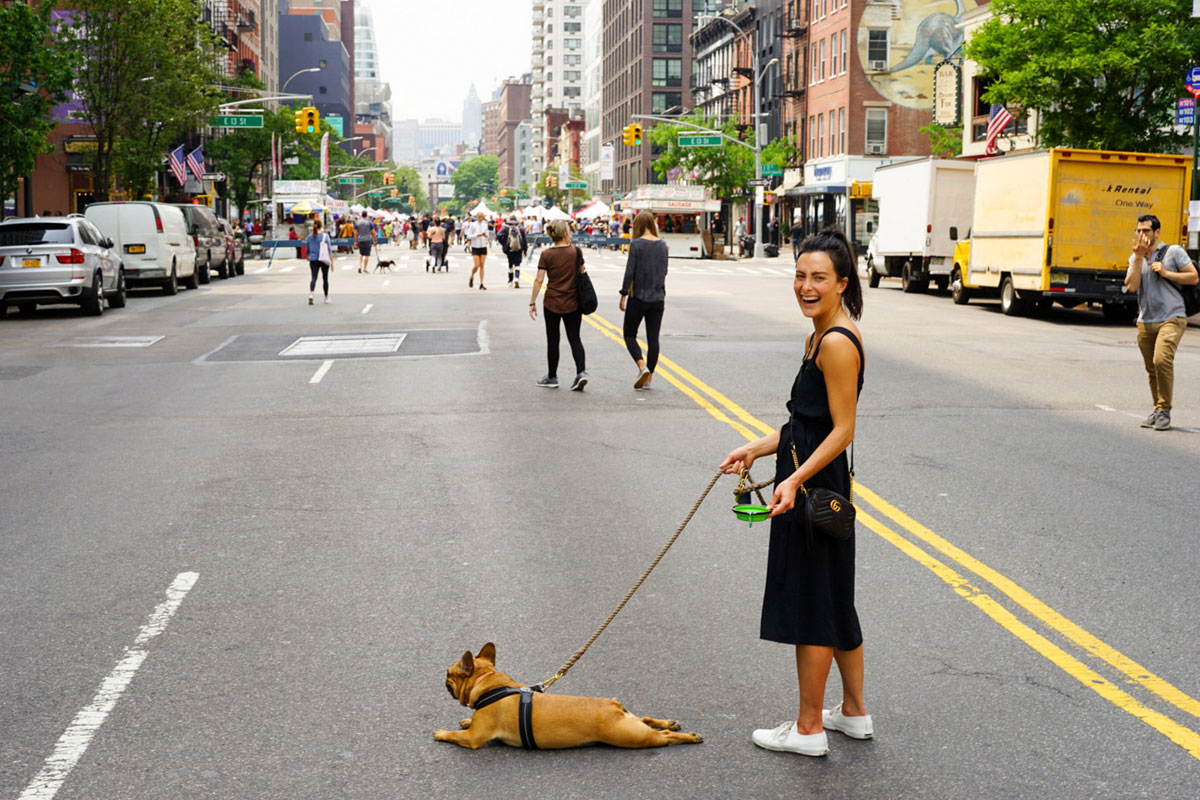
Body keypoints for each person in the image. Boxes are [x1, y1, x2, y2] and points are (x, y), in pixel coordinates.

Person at [719, 228, 867, 759]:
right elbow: (806, 424)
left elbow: (843, 430)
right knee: (833, 599)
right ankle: (853, 713)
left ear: (842, 283)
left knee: (812, 605)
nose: (806, 286)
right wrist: (756, 450)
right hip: (808, 481)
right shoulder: (819, 335)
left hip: (813, 491)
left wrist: (794, 479)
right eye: (801, 276)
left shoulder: (835, 343)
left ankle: (808, 729)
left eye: (819, 278)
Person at [1124, 213, 1199, 431]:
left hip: (1172, 317)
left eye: (1145, 231)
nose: (1141, 235)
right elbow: (1132, 286)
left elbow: (1193, 277)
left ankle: (1164, 410)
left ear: (1157, 232)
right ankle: (1158, 409)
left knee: (1161, 359)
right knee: (1152, 368)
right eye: (1138, 231)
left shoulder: (1173, 252)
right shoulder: (1135, 257)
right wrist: (1138, 258)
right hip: (1146, 320)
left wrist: (1166, 272)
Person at [529, 219, 588, 391]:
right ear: (565, 234)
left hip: (552, 302)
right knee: (575, 338)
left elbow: (539, 280)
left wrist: (532, 302)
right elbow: (582, 274)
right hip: (573, 302)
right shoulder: (576, 252)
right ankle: (581, 372)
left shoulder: (546, 254)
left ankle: (552, 377)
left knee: (553, 341)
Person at [619, 211, 669, 390]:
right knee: (653, 339)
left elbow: (630, 271)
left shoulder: (637, 244)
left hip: (639, 296)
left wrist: (624, 293)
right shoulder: (663, 245)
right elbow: (664, 271)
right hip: (658, 298)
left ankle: (642, 366)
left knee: (629, 334)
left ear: (638, 226)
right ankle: (649, 379)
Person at [305, 219, 333, 305]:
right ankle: (326, 297)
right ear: (321, 226)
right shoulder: (325, 236)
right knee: (325, 278)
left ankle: (311, 295)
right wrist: (332, 263)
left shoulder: (309, 236)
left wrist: (308, 257)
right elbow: (329, 250)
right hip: (324, 259)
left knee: (314, 278)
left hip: (313, 259)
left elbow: (307, 249)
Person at [464, 211, 491, 290]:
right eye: (479, 216)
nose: (480, 218)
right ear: (476, 217)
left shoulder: (485, 225)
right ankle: (472, 276)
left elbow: (487, 235)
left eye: (482, 217)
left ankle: (481, 283)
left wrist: (485, 236)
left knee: (482, 265)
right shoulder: (473, 225)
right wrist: (477, 235)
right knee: (477, 265)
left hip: (483, 246)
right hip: (475, 246)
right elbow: (469, 236)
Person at [502, 215, 526, 288]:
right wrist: (525, 249)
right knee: (517, 264)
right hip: (519, 248)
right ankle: (517, 278)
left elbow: (499, 235)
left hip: (509, 249)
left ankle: (510, 281)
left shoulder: (506, 227)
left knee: (510, 264)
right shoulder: (520, 227)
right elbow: (524, 239)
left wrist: (504, 244)